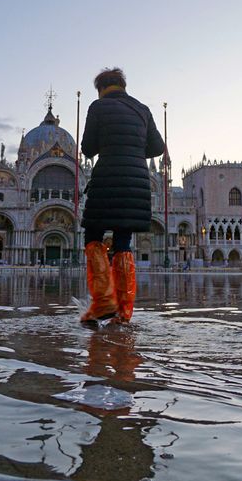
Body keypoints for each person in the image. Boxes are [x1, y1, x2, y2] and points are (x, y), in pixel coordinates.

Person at [79, 68, 166, 325]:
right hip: (138, 182)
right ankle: (123, 313)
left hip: (108, 177)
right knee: (123, 242)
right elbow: (158, 147)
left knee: (93, 233)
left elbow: (87, 148)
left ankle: (104, 301)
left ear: (101, 88)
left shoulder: (98, 107)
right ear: (122, 85)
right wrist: (135, 150)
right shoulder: (142, 109)